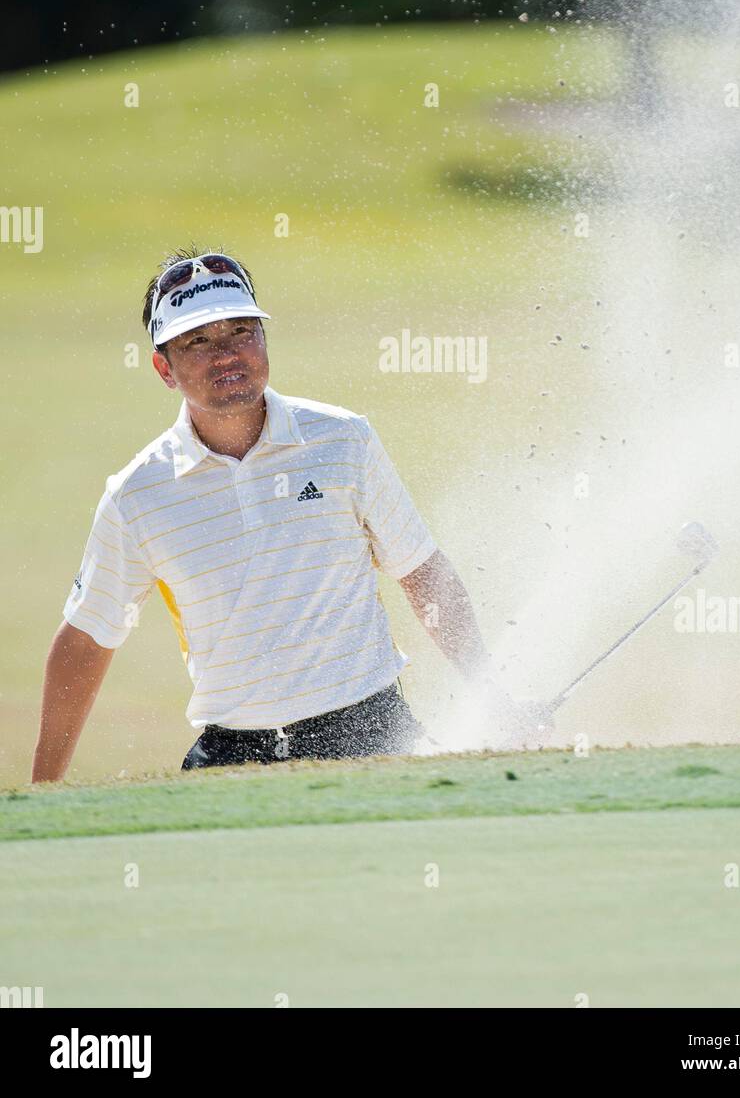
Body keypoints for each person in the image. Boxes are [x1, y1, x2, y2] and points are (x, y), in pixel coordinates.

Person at [32, 248, 546, 780]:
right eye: (199, 341)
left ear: (263, 338)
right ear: (164, 367)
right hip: (232, 755)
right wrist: (44, 791)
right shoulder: (137, 495)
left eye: (241, 332)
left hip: (368, 733)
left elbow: (421, 572)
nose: (226, 354)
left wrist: (492, 696)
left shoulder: (344, 439)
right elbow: (87, 639)